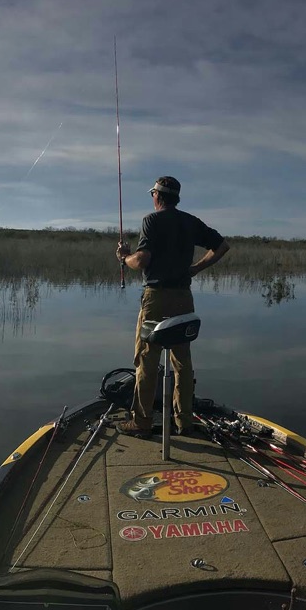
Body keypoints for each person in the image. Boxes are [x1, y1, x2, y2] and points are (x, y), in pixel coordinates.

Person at [114, 176, 230, 436]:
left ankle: (141, 422)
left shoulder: (151, 220)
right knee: (182, 362)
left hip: (156, 297)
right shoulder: (190, 221)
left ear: (157, 196)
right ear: (176, 198)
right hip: (183, 297)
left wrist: (124, 257)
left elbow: (141, 260)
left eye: (153, 194)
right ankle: (184, 422)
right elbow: (222, 246)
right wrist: (196, 268)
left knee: (147, 360)